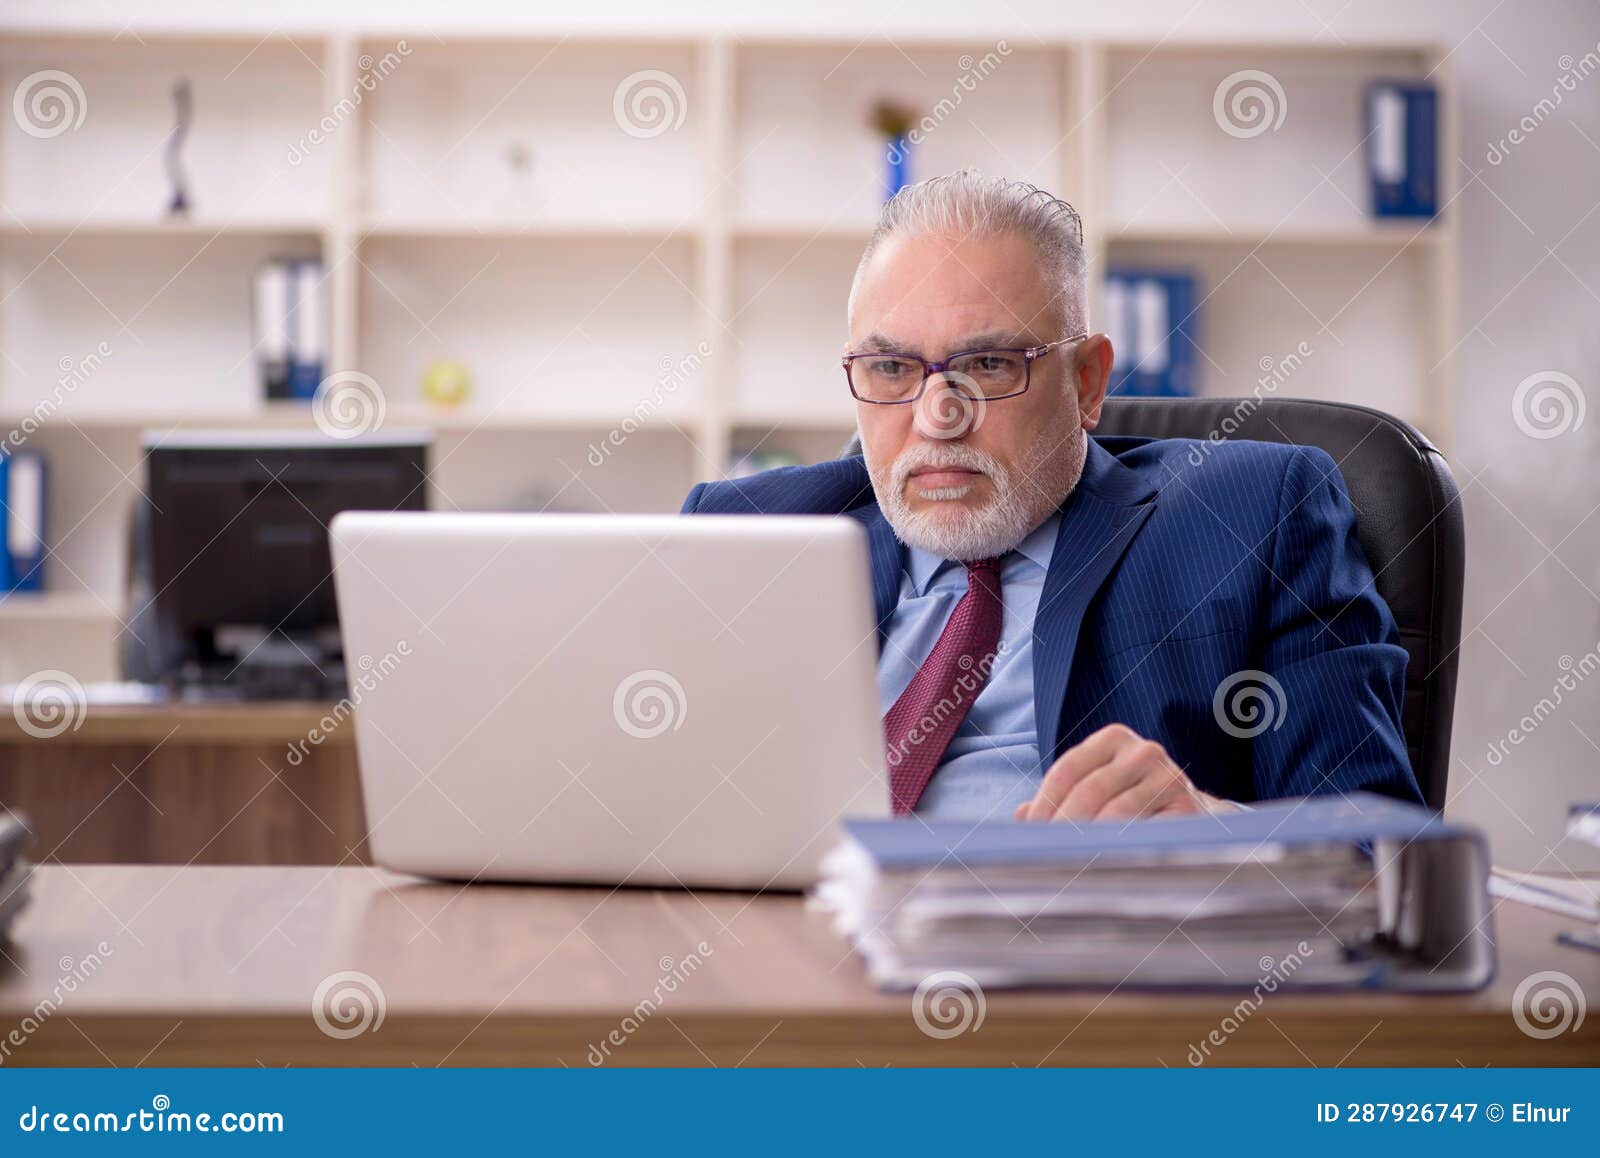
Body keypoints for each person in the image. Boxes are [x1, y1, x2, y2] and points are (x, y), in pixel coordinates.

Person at [683, 170, 1420, 822]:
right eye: (890, 368)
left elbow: (1384, 857)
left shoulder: (1252, 518)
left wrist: (1209, 823)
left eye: (991, 363)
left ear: (1087, 383)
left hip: (1081, 965)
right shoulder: (739, 533)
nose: (938, 415)